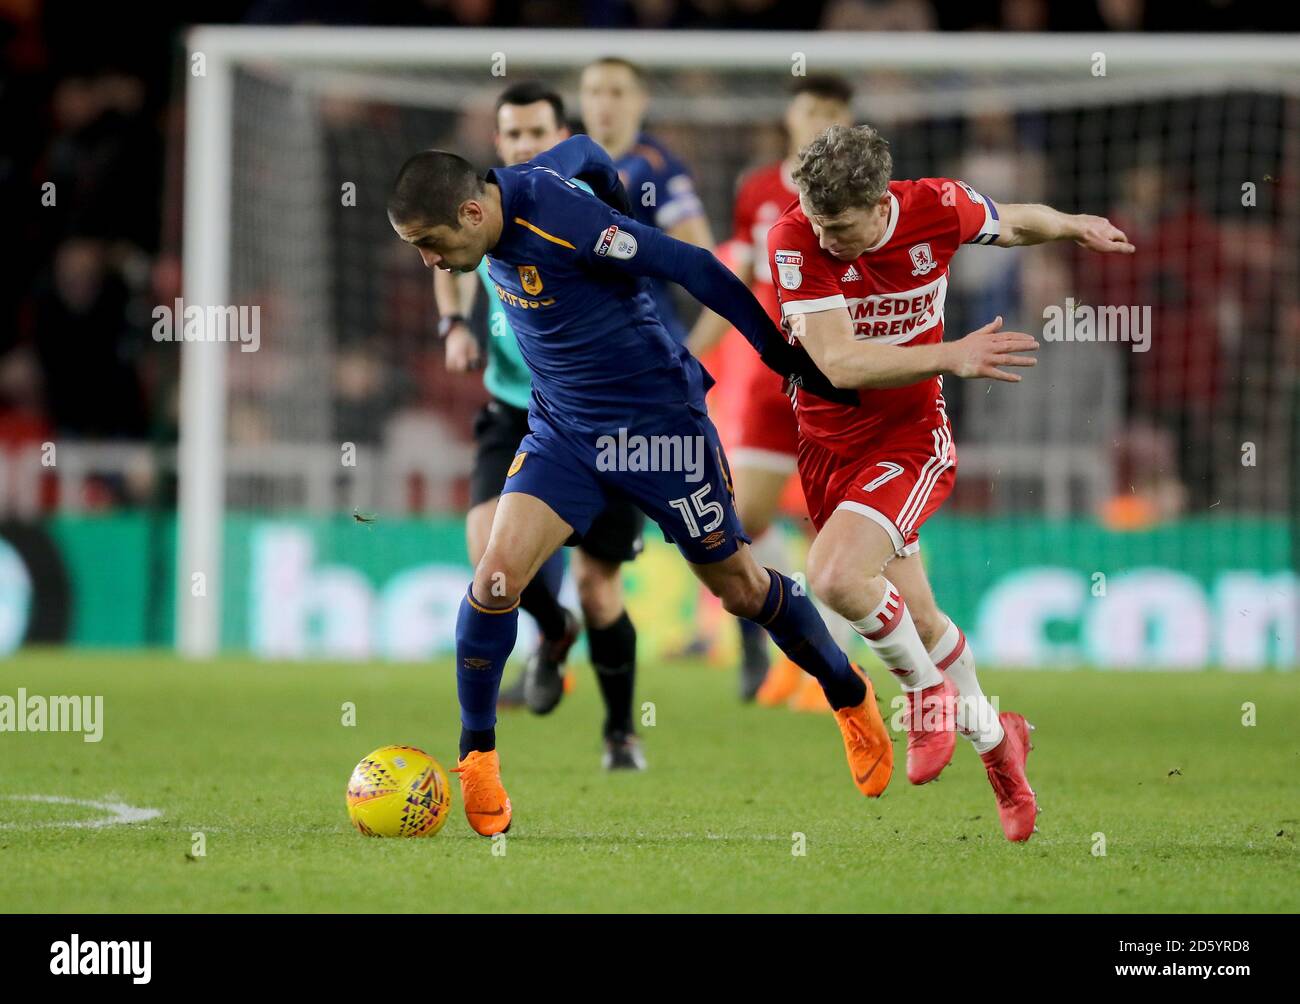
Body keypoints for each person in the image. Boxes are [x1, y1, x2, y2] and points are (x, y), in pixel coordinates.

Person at [388, 134, 891, 836]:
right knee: (496, 577)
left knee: (742, 589)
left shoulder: (568, 226)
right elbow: (587, 151)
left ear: (474, 214)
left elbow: (695, 265)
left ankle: (847, 691)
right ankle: (477, 757)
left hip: (661, 432)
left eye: (431, 243)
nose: (429, 261)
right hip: (563, 432)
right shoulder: (515, 188)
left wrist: (783, 358)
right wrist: (616, 193)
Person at [766, 123, 1136, 841]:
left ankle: (924, 697)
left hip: (908, 439)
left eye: (839, 226)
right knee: (922, 621)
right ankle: (1002, 746)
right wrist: (952, 352)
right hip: (825, 448)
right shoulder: (794, 240)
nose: (824, 236)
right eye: (815, 221)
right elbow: (840, 364)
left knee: (837, 577)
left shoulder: (937, 207)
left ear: (880, 206)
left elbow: (1014, 219)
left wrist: (1070, 226)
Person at [434, 81, 647, 770]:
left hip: (599, 415)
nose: (525, 145)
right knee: (484, 551)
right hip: (515, 410)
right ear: (498, 143)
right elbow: (439, 254)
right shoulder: (477, 209)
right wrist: (453, 325)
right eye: (514, 134)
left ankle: (620, 732)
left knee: (597, 585)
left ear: (562, 136)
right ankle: (553, 637)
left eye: (537, 133)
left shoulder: (581, 214)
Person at [688, 74, 856, 706]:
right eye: (811, 109)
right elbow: (739, 283)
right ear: (791, 115)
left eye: (833, 112)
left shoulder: (866, 194)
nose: (820, 120)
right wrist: (689, 351)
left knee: (834, 524)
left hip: (837, 379)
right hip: (770, 381)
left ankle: (836, 665)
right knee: (744, 522)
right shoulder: (757, 190)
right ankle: (776, 647)